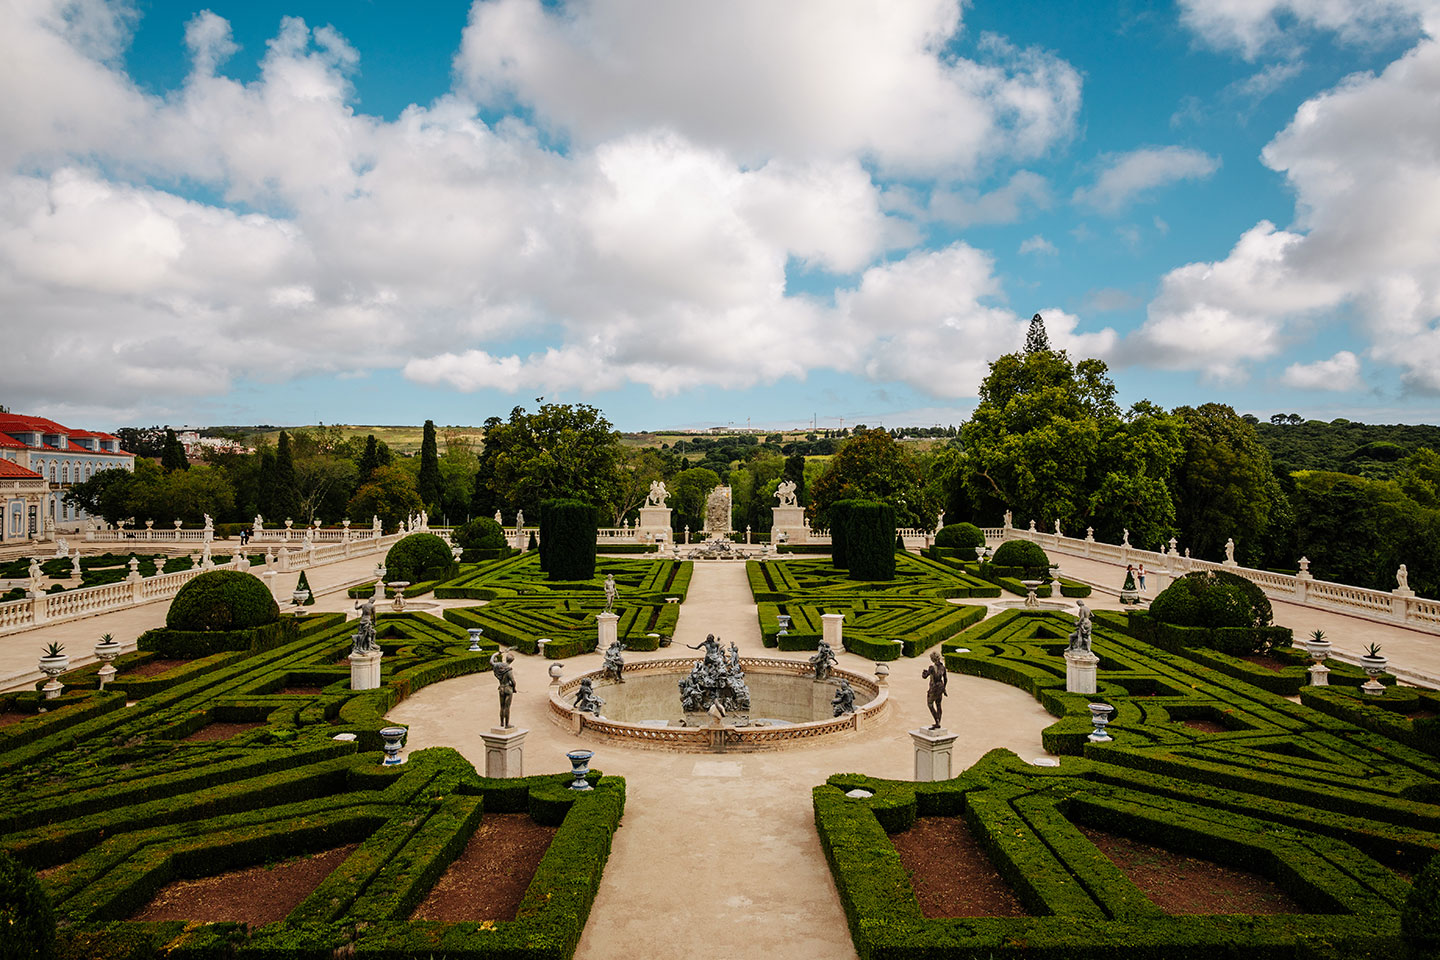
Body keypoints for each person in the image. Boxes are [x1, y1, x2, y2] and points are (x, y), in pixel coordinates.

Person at [491, 651, 517, 727]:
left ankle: (502, 722)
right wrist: (514, 688)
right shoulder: (509, 670)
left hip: (501, 688)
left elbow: (491, 661)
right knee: (507, 707)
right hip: (508, 689)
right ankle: (507, 724)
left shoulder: (499, 666)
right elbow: (513, 681)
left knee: (502, 707)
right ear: (512, 661)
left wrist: (496, 653)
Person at [923, 651, 947, 729]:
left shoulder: (931, 667)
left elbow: (924, 677)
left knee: (930, 704)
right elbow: (945, 679)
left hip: (934, 688)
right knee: (938, 705)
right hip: (940, 687)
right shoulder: (943, 667)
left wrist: (923, 673)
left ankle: (937, 721)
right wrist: (944, 688)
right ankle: (938, 721)